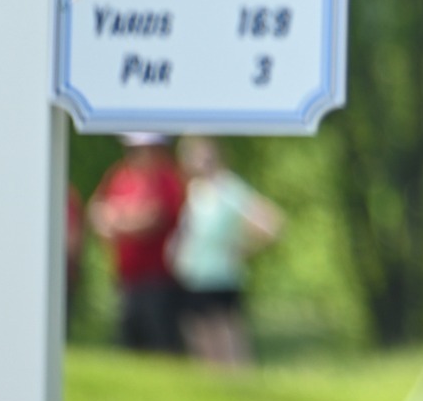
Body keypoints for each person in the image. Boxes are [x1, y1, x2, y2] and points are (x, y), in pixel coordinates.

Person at [169, 136, 284, 368]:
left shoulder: (228, 188)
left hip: (221, 275)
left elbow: (271, 223)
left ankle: (238, 385)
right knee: (199, 334)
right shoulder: (196, 190)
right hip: (194, 274)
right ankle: (213, 391)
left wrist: (244, 247)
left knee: (225, 334)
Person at [88, 132, 188, 354]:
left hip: (160, 278)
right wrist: (126, 219)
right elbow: (97, 211)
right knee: (130, 344)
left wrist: (119, 220)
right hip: (127, 277)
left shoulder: (167, 178)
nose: (138, 155)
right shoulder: (121, 175)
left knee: (161, 345)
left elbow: (154, 219)